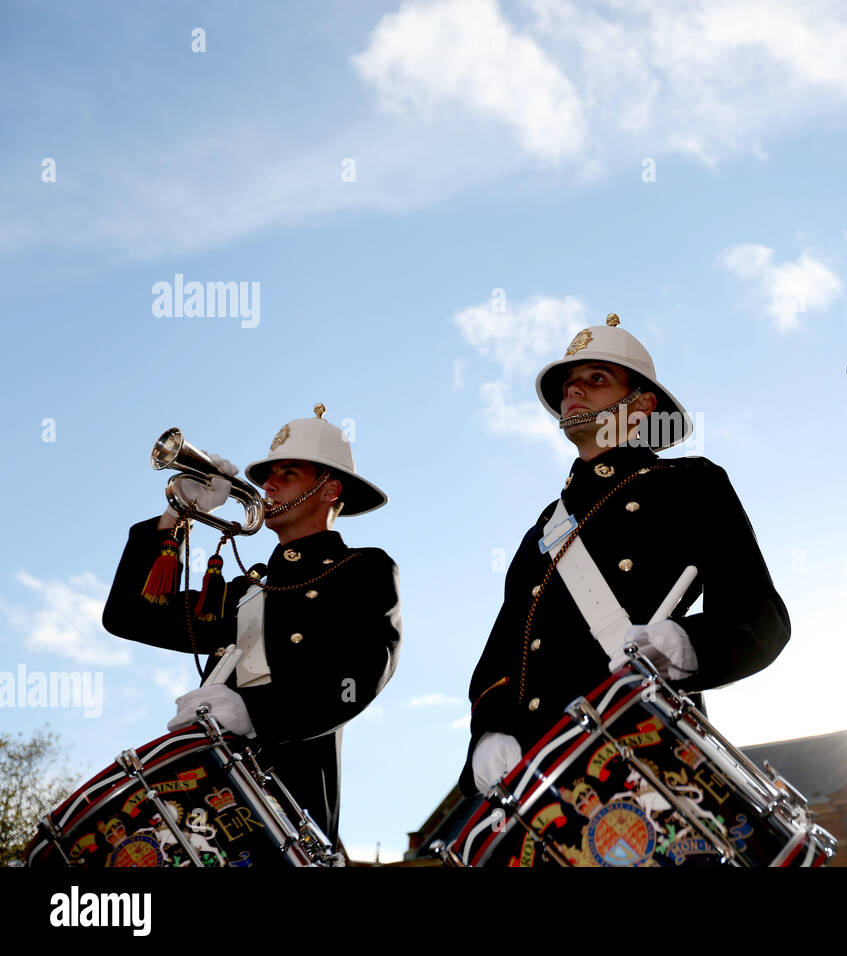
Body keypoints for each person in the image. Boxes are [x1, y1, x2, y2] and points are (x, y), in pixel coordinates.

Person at [460, 314, 790, 799]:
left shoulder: (690, 485)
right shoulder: (543, 531)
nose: (574, 391)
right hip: (539, 778)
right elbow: (503, 654)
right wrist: (489, 730)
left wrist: (683, 644)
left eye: (596, 379)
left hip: (644, 761)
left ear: (641, 406)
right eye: (569, 385)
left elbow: (759, 618)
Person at [102, 405, 401, 846]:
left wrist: (258, 714)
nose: (267, 485)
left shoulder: (362, 569)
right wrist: (177, 516)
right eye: (268, 474)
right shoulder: (246, 588)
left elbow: (361, 674)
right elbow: (129, 615)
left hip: (291, 808)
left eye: (288, 473)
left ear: (328, 489)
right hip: (207, 803)